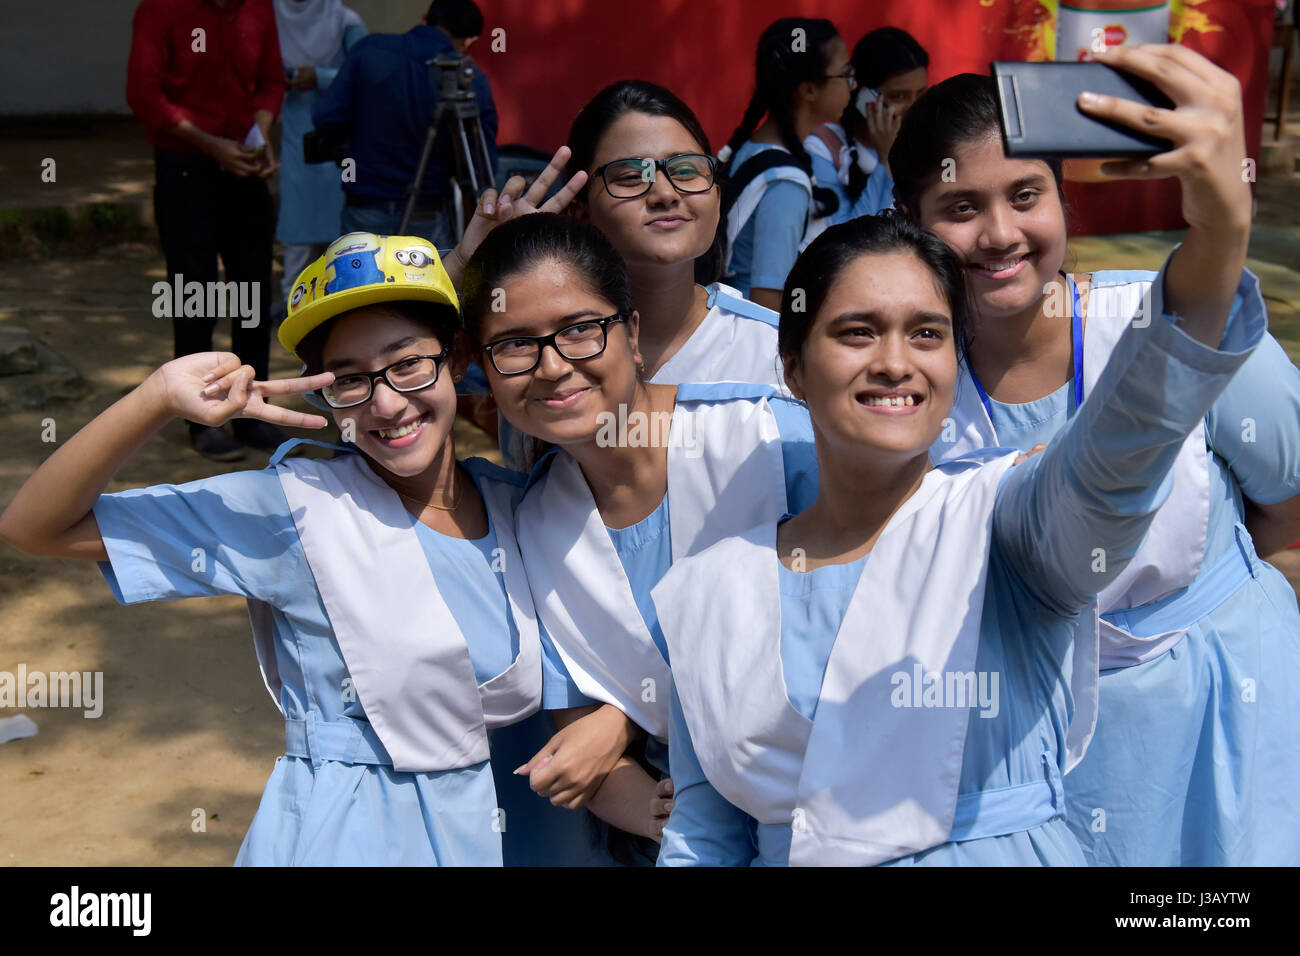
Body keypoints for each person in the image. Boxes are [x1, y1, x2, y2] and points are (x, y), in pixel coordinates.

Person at [0, 234, 650, 865]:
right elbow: (36, 527)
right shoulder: (294, 510)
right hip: (348, 837)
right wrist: (157, 399)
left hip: (519, 829)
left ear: (455, 358)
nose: (387, 403)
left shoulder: (522, 506)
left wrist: (619, 729)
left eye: (407, 364)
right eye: (349, 380)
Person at [655, 200, 1262, 865]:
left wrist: (1218, 238)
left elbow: (1115, 459)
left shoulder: (1003, 528)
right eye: (858, 332)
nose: (894, 362)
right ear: (794, 367)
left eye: (926, 333)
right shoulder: (710, 588)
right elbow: (704, 836)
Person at [889, 46, 1300, 865]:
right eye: (960, 205)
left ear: (1062, 198)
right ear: (911, 222)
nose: (1000, 233)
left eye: (1025, 195)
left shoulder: (1174, 324)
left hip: (1234, 715)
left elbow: (1290, 507)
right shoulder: (904, 395)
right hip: (1049, 753)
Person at [459, 213, 819, 862]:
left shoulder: (770, 439)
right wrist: (671, 818)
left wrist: (623, 719)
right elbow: (582, 753)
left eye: (579, 330)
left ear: (630, 333)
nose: (551, 366)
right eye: (513, 345)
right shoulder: (538, 528)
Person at [443, 82, 795, 469]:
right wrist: (467, 270)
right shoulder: (532, 347)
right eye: (631, 176)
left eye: (686, 170)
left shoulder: (778, 353)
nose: (664, 193)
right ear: (579, 210)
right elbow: (390, 373)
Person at [126, 0, 285, 461]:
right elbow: (144, 93)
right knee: (195, 293)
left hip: (245, 165)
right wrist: (210, 145)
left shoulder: (258, 8)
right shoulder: (161, 9)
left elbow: (272, 80)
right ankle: (200, 417)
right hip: (186, 167)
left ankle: (252, 410)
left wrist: (261, 131)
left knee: (252, 291)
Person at [310, 0, 498, 246]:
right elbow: (481, 166)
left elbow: (326, 117)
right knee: (421, 283)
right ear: (469, 41)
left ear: (424, 19)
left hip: (365, 203)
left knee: (360, 283)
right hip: (428, 211)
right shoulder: (469, 81)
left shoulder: (368, 50)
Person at [718, 18, 853, 310]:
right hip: (752, 335)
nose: (852, 86)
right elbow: (768, 301)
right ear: (809, 90)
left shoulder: (754, 147)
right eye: (845, 73)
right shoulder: (785, 183)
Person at [272, 0, 367, 313]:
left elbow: (364, 67)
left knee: (338, 225)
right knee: (296, 223)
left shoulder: (344, 20)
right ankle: (293, 305)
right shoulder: (270, 14)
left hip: (337, 138)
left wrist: (321, 76)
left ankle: (340, 303)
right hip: (296, 133)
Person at [804, 26, 928, 223]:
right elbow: (845, 239)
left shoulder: (928, 146)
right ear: (864, 96)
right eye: (899, 96)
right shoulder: (823, 148)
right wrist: (885, 161)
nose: (913, 107)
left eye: (920, 94)